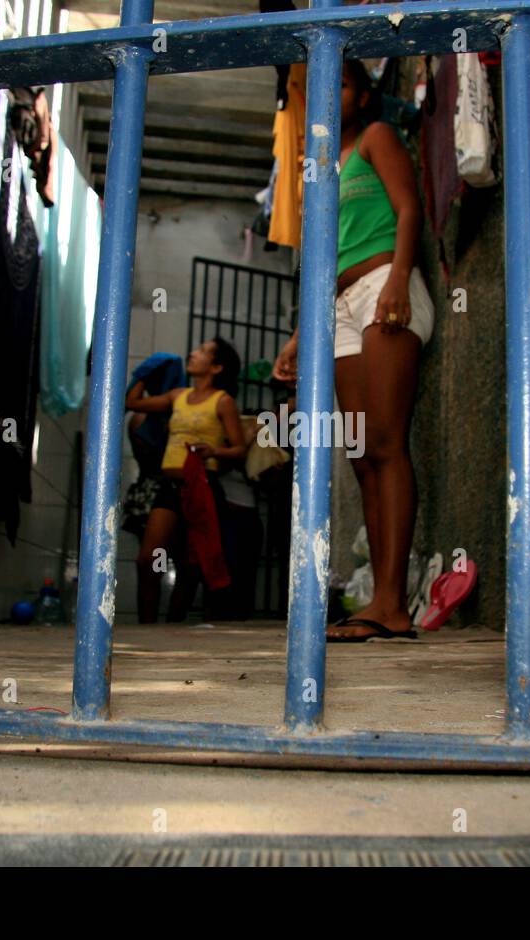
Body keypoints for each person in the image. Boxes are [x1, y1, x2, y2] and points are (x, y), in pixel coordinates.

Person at [273, 60, 436, 641]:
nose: (329, 95)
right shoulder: (316, 167)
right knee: (362, 456)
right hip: (337, 308)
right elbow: (320, 257)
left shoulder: (376, 137)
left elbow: (409, 208)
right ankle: (380, 603)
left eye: (340, 84)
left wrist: (398, 279)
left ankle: (393, 606)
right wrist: (299, 332)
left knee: (388, 444)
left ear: (363, 95)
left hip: (383, 291)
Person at [126, 338, 247, 622]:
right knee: (148, 559)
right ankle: (146, 627)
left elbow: (240, 449)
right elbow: (132, 403)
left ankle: (174, 625)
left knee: (191, 564)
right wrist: (144, 373)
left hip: (202, 487)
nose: (193, 353)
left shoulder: (223, 402)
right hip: (170, 487)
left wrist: (214, 450)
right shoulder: (176, 395)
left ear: (216, 367)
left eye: (203, 351)